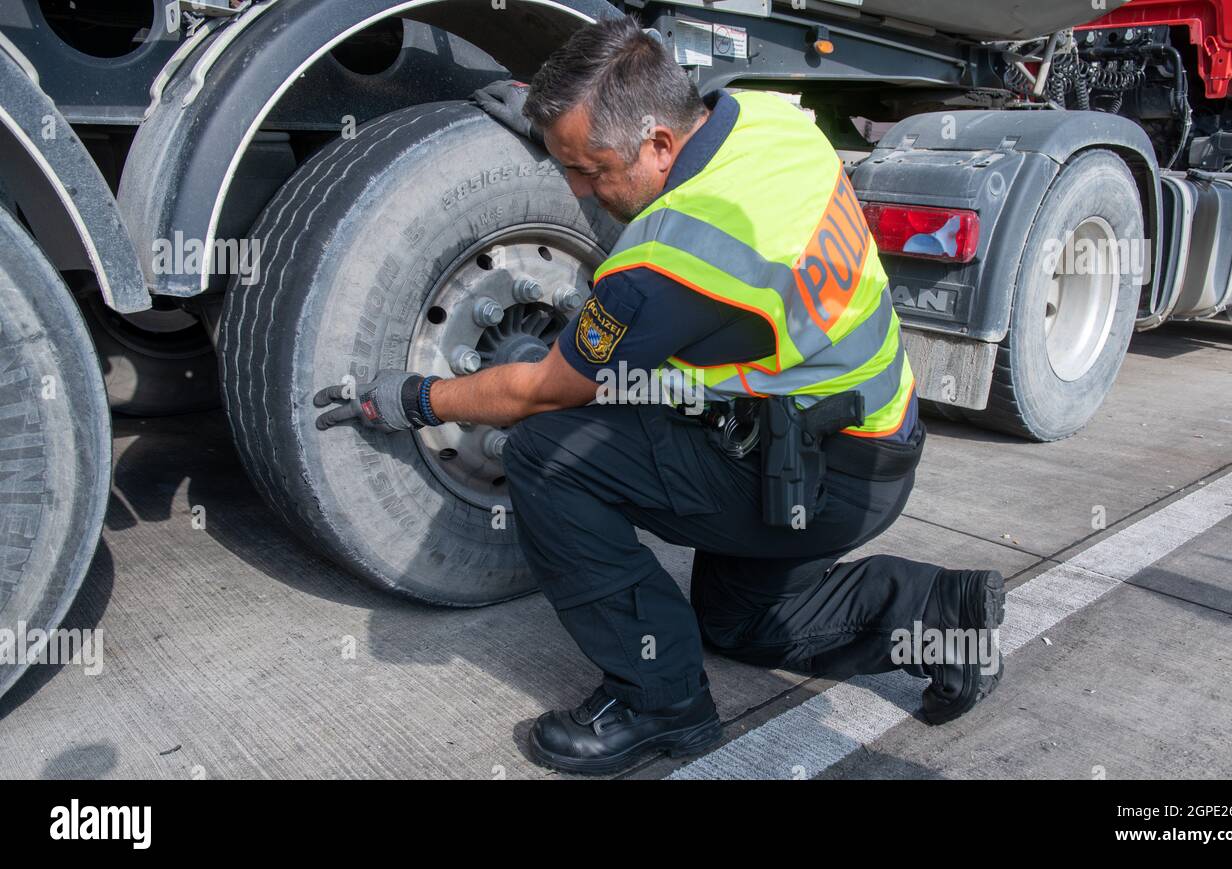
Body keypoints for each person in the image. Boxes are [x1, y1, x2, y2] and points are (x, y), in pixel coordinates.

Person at [313, 15, 1005, 776]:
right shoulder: (774, 120)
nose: (577, 187)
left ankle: (661, 704)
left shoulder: (669, 261)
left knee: (550, 453)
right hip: (867, 430)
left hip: (821, 472)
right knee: (739, 622)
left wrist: (416, 397)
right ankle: (944, 617)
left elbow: (539, 390)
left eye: (588, 169)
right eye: (565, 167)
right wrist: (558, 130)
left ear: (660, 146)